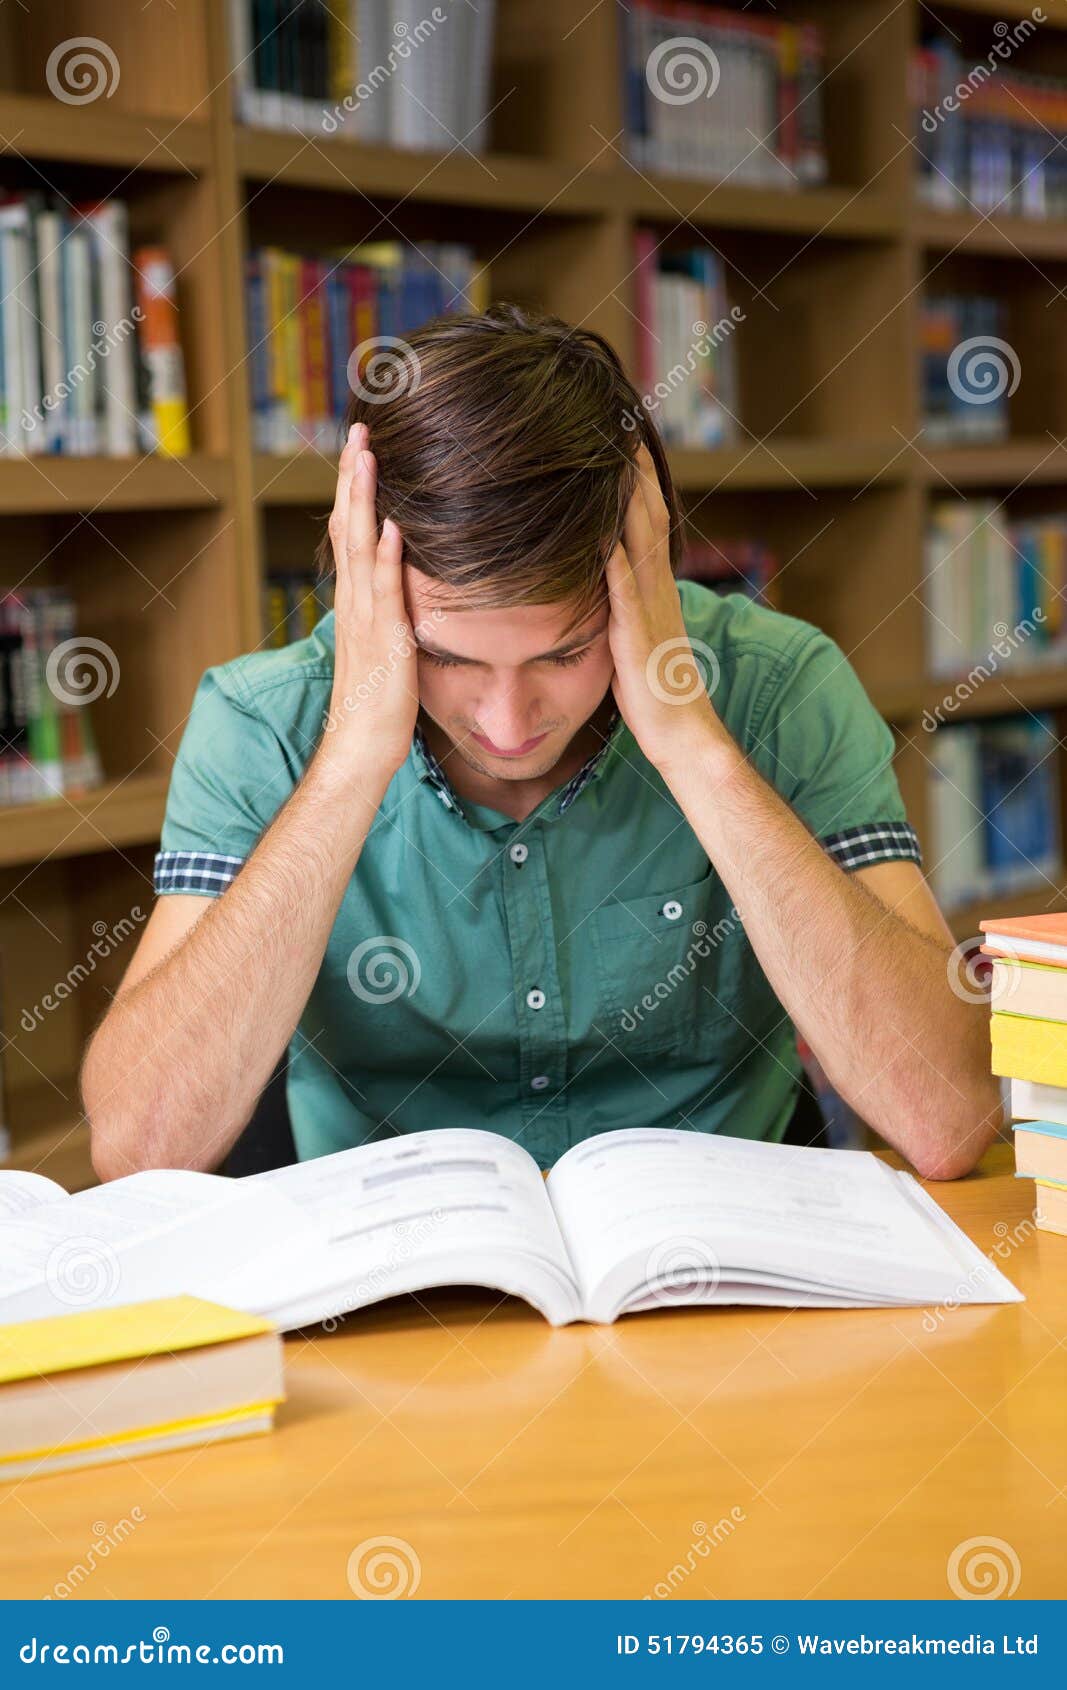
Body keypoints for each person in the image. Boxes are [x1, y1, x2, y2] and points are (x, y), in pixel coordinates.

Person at [82, 303, 1003, 1183]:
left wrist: (691, 743)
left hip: (728, 1259)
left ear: (646, 565)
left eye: (563, 653)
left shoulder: (778, 687)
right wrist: (353, 756)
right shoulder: (261, 722)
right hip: (397, 1269)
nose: (507, 722)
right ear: (367, 581)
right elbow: (140, 1150)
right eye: (447, 658)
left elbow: (946, 1119)